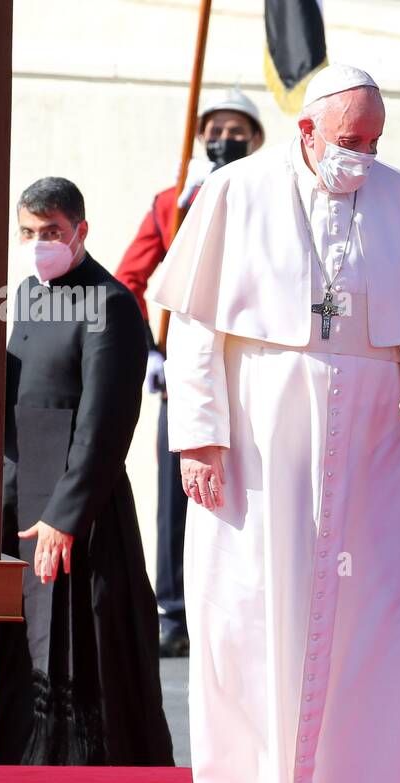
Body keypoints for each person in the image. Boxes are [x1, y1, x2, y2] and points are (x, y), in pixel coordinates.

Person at [147, 65, 400, 783]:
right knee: (256, 605)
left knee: (388, 612)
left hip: (381, 435)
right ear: (307, 130)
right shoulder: (234, 193)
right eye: (349, 140)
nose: (363, 155)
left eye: (374, 141)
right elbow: (195, 326)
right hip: (266, 435)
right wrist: (200, 435)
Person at [0, 176, 174, 766]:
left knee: (80, 648)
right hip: (15, 500)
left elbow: (105, 425)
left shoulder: (114, 303)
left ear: (80, 232)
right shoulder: (23, 293)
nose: (39, 243)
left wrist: (64, 517)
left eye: (51, 232)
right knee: (20, 649)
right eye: (28, 232)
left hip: (80, 511)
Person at [115, 86, 266, 659]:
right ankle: (173, 612)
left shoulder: (274, 197)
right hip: (186, 368)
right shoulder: (173, 201)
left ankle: (245, 613)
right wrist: (147, 351)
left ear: (255, 140)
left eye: (237, 132)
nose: (224, 140)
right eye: (215, 130)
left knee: (256, 489)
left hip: (253, 370)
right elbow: (131, 279)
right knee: (178, 494)